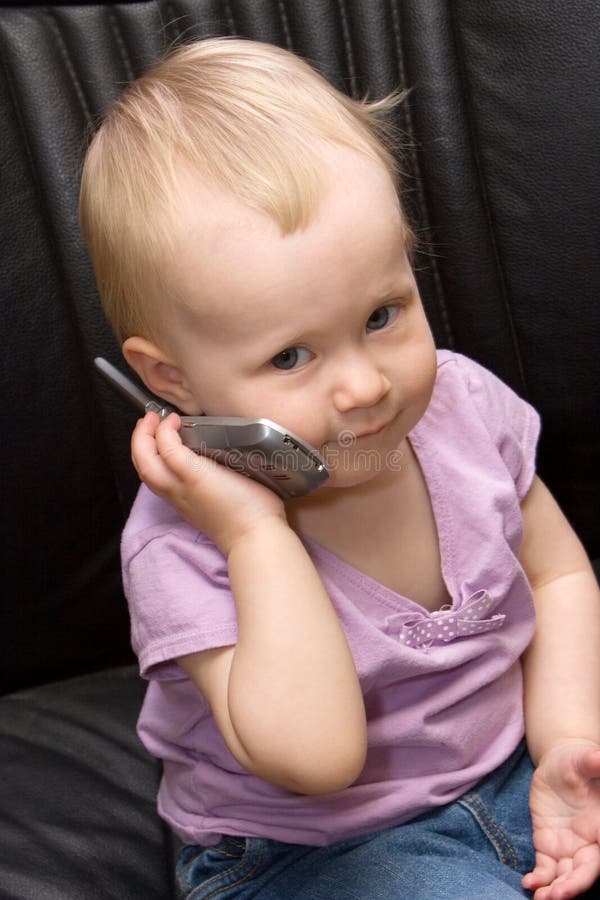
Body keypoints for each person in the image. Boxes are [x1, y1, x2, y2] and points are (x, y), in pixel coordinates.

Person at [79, 37, 600, 900]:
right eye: (290, 357)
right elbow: (317, 758)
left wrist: (568, 744)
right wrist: (256, 534)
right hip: (319, 850)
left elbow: (558, 575)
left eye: (384, 312)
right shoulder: (185, 546)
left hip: (515, 770)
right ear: (170, 379)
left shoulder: (464, 407)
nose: (365, 385)